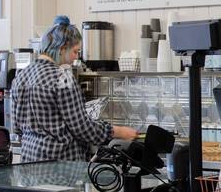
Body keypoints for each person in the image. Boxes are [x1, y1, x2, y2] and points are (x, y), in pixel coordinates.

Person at [10, 15, 138, 163]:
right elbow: (83, 128)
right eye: (75, 52)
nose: (75, 58)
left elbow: (17, 128)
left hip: (29, 162)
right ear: (62, 49)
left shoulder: (20, 76)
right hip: (61, 168)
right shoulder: (63, 78)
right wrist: (118, 132)